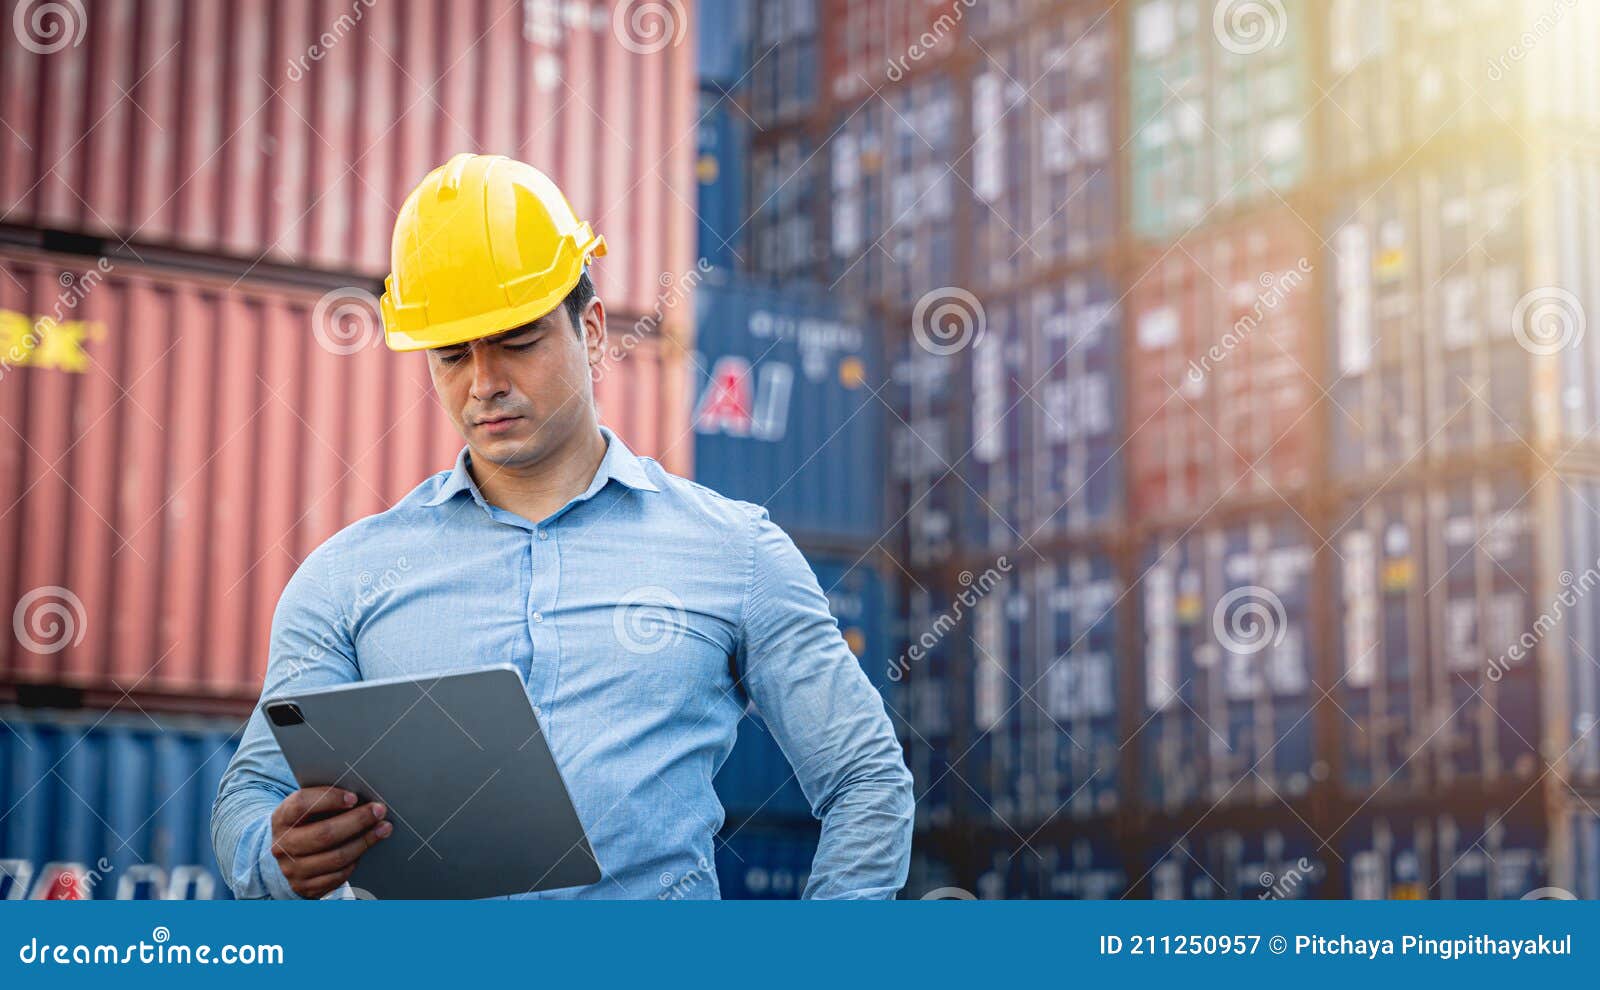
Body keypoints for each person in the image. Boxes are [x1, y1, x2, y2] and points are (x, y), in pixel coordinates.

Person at [210, 154, 913, 899]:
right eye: (450, 354)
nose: (484, 383)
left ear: (594, 330)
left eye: (518, 341)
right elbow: (249, 796)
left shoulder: (736, 553)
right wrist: (276, 856)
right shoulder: (344, 577)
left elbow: (865, 779)